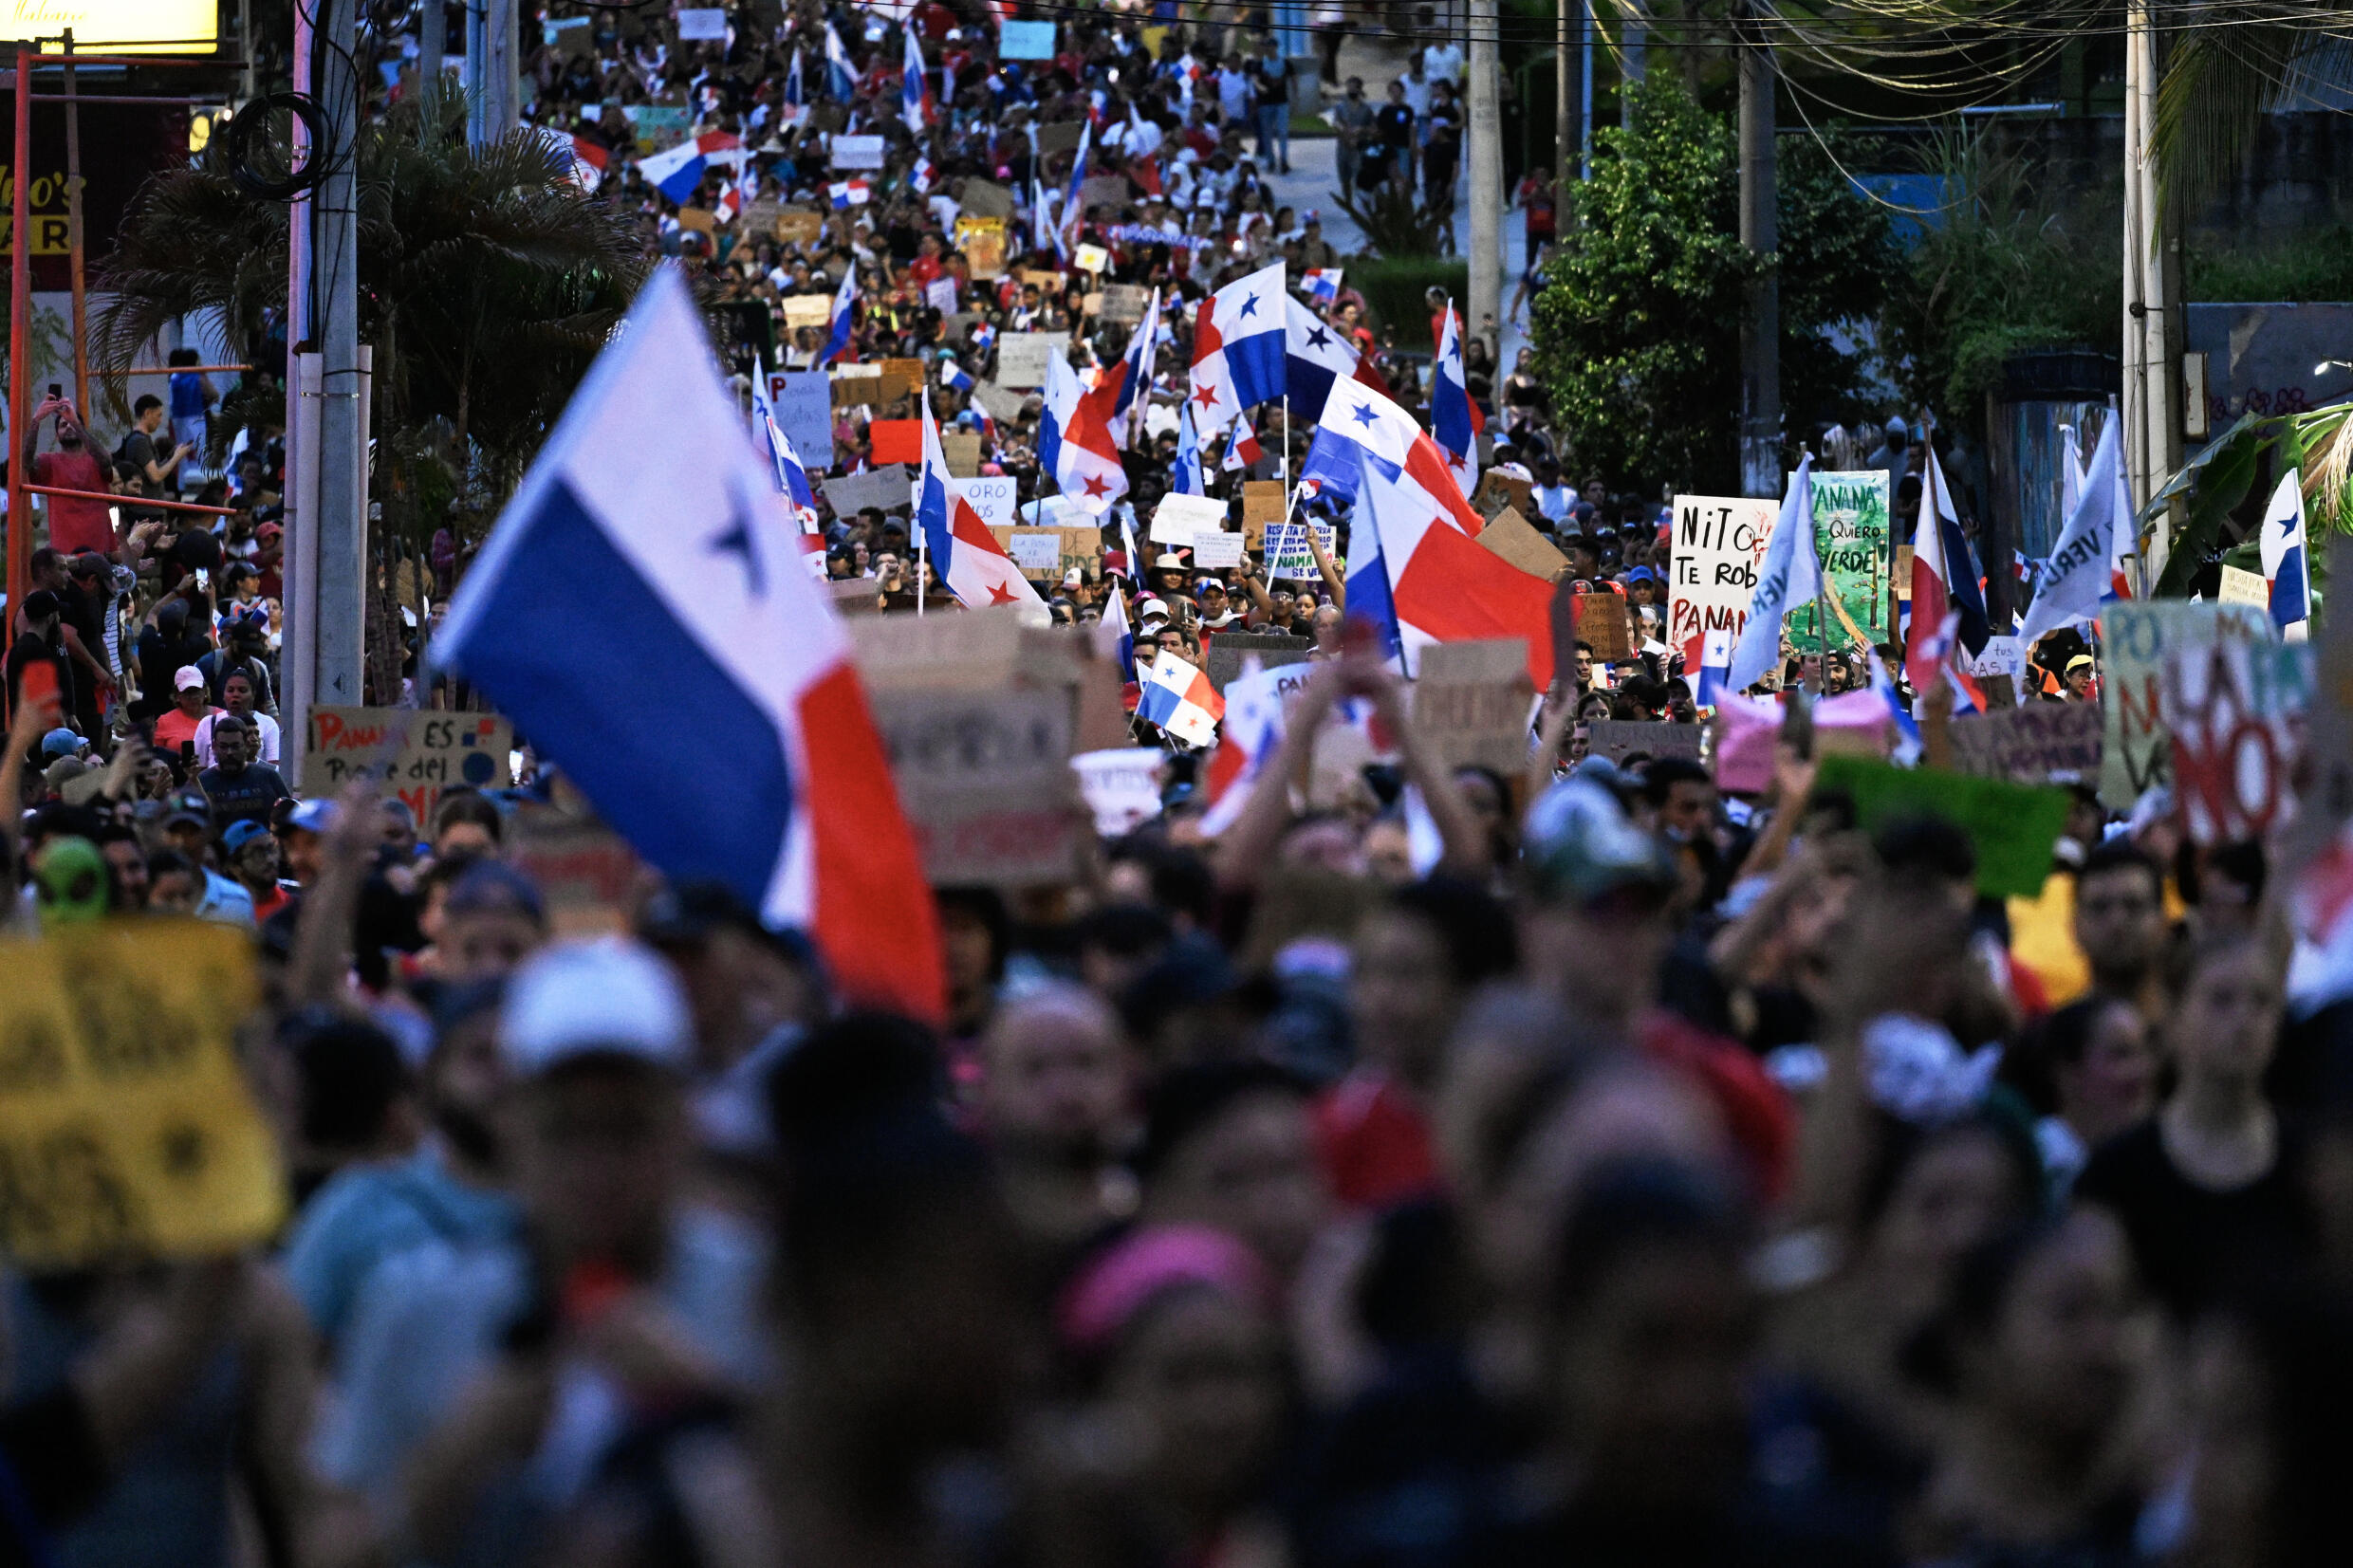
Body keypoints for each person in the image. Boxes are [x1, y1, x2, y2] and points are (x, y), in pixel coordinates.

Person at [316, 938, 769, 1568]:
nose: (597, 1168)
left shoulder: (766, 1296)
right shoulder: (418, 1307)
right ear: (516, 1126)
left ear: (682, 1126)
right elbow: (330, 1548)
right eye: (566, 1130)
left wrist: (708, 1413)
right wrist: (462, 1453)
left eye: (626, 1128)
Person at [2076, 933, 2311, 1319]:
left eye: (2262, 1002)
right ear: (2172, 1016)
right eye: (2221, 999)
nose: (2244, 1020)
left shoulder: (2313, 1166)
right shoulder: (2116, 1175)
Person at [23, 397, 118, 557]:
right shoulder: (49, 462)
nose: (68, 427)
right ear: (57, 436)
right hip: (64, 555)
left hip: (100, 551)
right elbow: (26, 462)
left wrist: (76, 423)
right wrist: (36, 420)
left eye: (71, 423)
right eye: (63, 425)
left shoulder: (96, 458)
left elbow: (106, 461)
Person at [195, 712, 291, 836]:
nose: (229, 753)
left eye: (235, 746)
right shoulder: (202, 781)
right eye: (223, 746)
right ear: (214, 746)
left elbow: (287, 816)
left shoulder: (269, 777)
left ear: (246, 745)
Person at [193, 666, 281, 768]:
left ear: (253, 695)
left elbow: (274, 767)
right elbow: (199, 768)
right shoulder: (207, 723)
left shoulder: (268, 724)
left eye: (242, 690)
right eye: (230, 690)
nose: (235, 695)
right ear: (223, 695)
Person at [154, 666, 223, 761]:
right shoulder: (164, 722)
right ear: (177, 696)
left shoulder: (222, 717)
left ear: (205, 691)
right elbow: (155, 755)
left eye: (196, 691)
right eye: (187, 693)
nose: (192, 697)